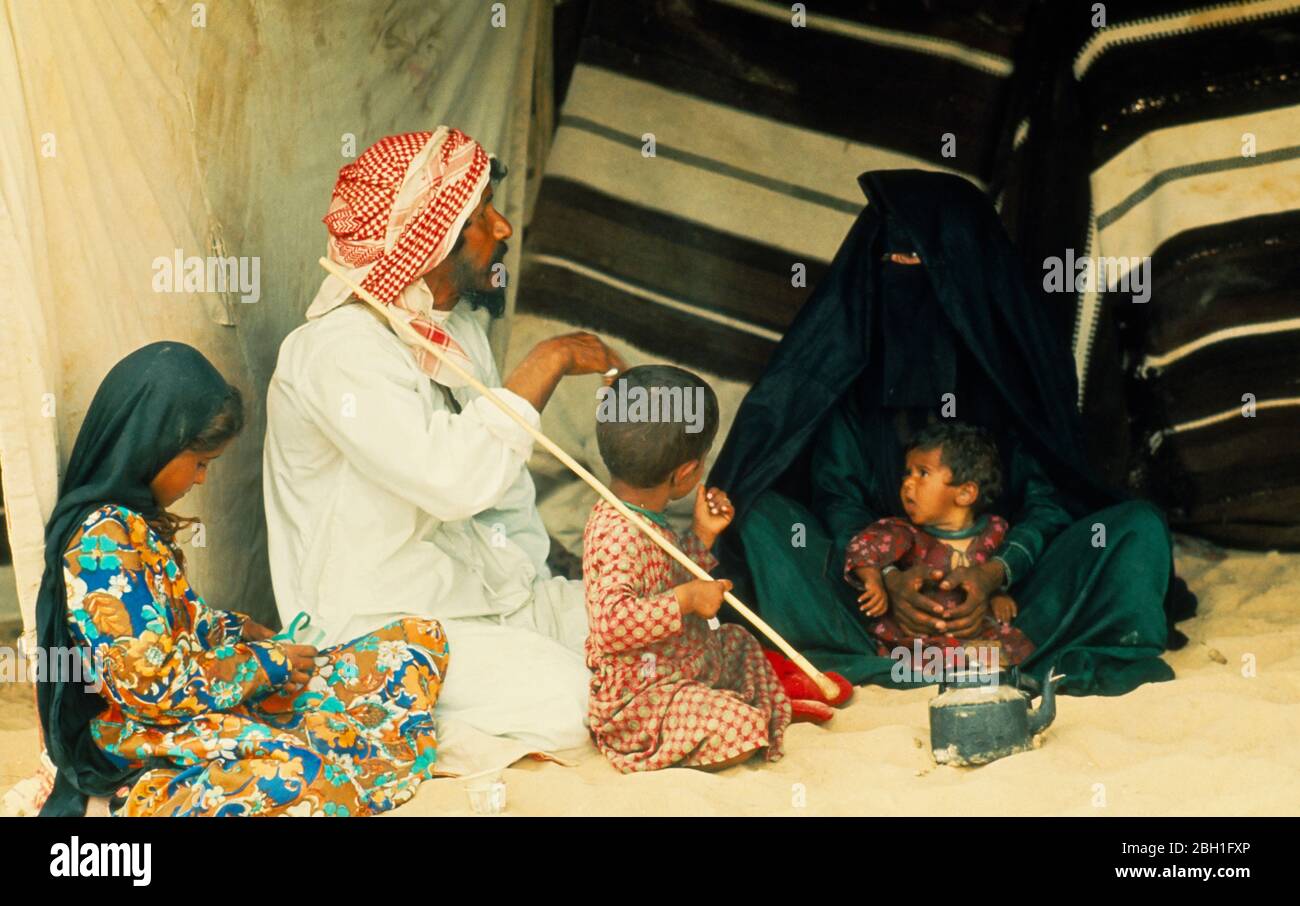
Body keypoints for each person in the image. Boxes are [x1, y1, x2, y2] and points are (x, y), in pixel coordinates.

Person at [711, 170, 1191, 695]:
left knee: (1138, 528)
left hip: (1009, 603)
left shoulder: (1007, 366)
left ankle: (994, 650)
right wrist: (891, 579)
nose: (900, 279)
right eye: (888, 266)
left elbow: (1048, 498)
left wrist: (994, 575)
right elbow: (836, 493)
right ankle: (890, 649)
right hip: (870, 596)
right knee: (757, 513)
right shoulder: (854, 364)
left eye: (915, 266)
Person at [263, 128, 625, 751]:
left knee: (640, 634)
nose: (504, 228)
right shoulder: (338, 351)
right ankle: (344, 710)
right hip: (375, 626)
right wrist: (544, 365)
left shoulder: (452, 331)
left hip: (477, 597)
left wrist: (528, 586)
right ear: (428, 239)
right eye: (482, 214)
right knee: (571, 700)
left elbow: (502, 493)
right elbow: (454, 480)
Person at [34, 342, 449, 817]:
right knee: (309, 781)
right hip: (139, 733)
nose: (201, 480)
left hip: (199, 697)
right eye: (200, 462)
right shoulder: (102, 544)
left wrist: (238, 630)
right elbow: (153, 688)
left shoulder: (131, 523)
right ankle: (141, 801)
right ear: (153, 444)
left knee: (416, 644)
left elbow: (172, 625)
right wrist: (265, 665)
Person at [582, 365, 796, 772]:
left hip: (681, 661)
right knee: (743, 727)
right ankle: (680, 738)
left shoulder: (646, 515)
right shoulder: (616, 532)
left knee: (739, 643)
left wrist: (701, 536)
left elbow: (668, 574)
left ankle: (723, 708)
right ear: (686, 473)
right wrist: (686, 600)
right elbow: (610, 626)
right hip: (643, 698)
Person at [846, 421, 1035, 669]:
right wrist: (873, 580)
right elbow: (865, 546)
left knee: (1015, 650)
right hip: (922, 634)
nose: (908, 483)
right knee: (919, 660)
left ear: (965, 493)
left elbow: (991, 574)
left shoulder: (994, 531)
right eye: (907, 473)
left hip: (974, 629)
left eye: (922, 473)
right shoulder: (903, 532)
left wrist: (998, 594)